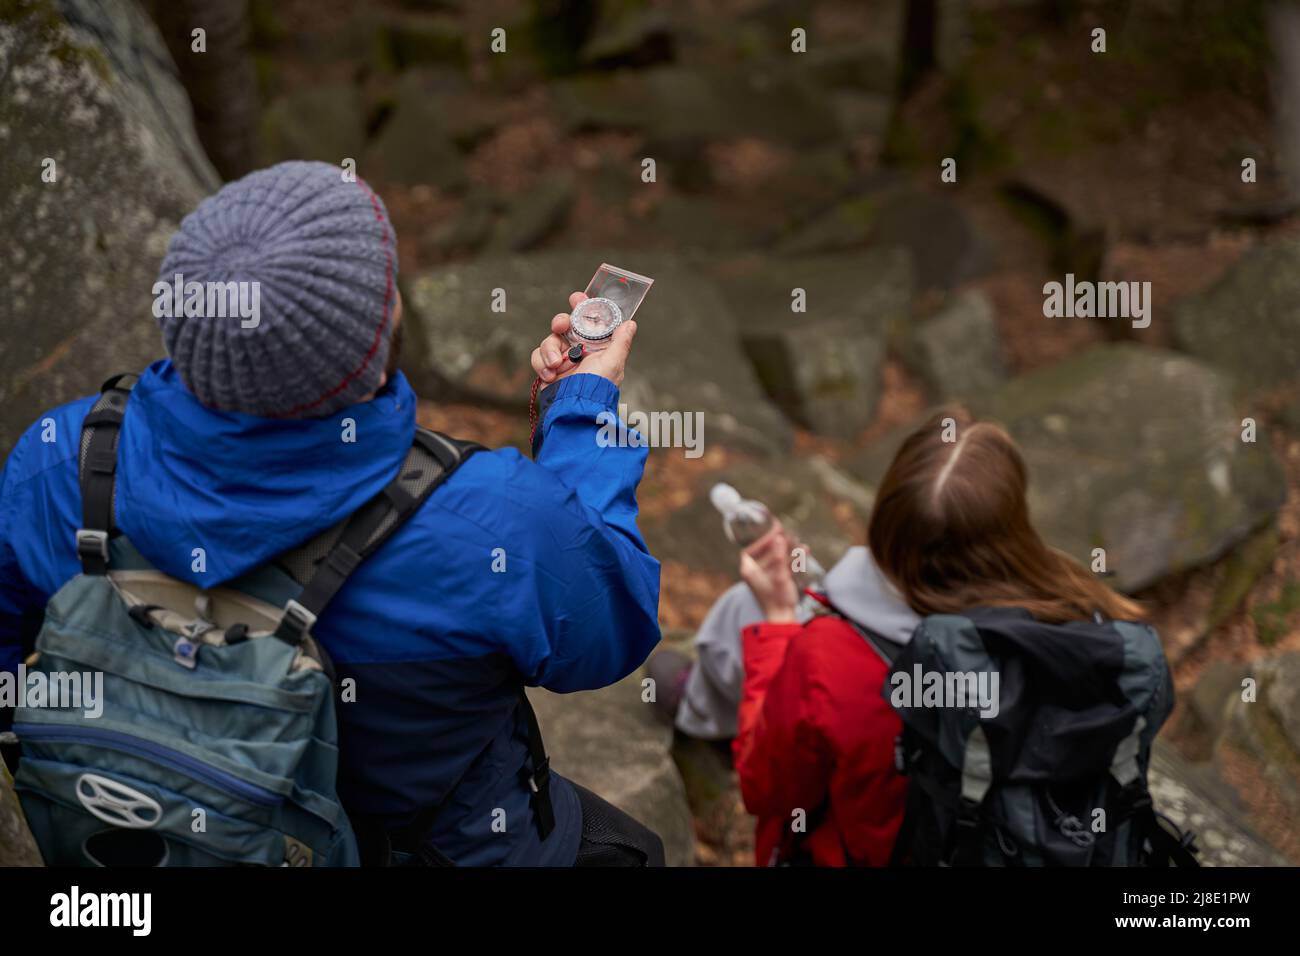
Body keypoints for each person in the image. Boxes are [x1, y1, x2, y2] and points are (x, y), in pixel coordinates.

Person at [0, 160, 664, 866]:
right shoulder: (483, 518)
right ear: (375, 342)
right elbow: (609, 628)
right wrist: (582, 410)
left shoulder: (61, 463)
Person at [654, 406, 1164, 866]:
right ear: (1014, 525)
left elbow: (766, 789)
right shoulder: (1085, 617)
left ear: (887, 525)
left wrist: (782, 623)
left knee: (750, 619)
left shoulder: (830, 657)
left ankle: (699, 701)